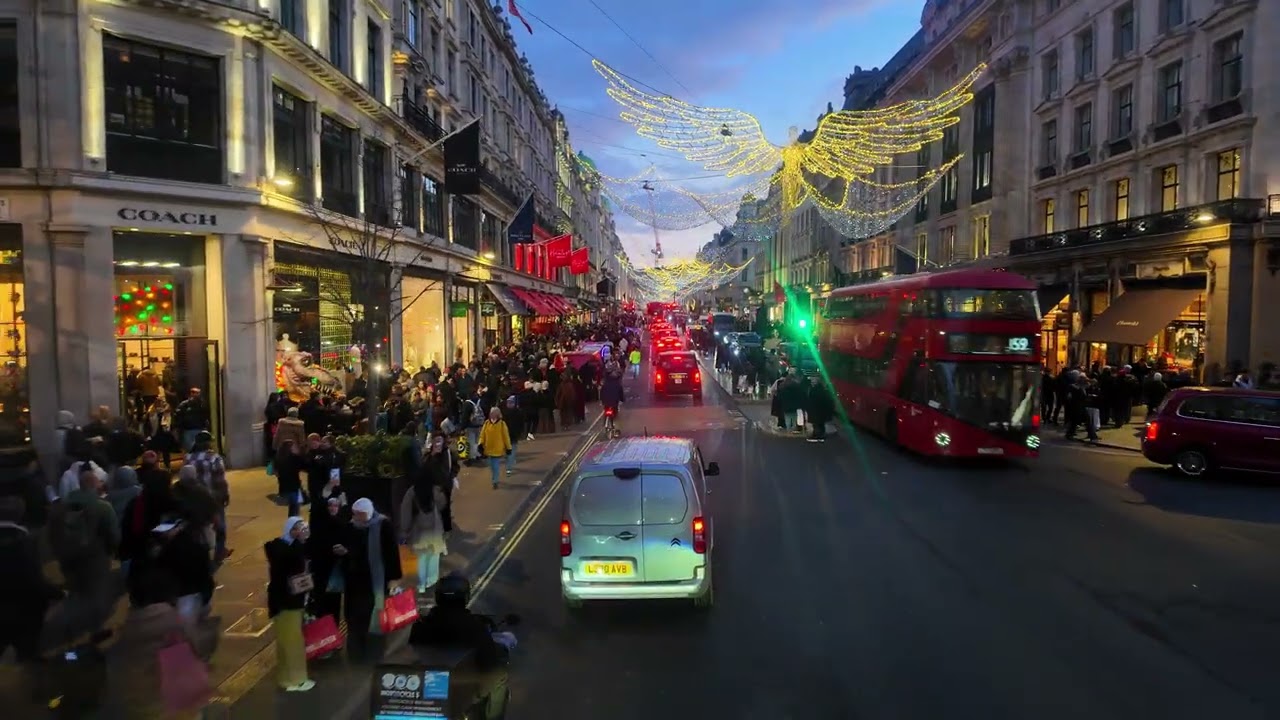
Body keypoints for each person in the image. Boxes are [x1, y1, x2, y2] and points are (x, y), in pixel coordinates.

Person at [407, 573, 510, 719]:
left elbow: (411, 654)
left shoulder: (420, 626)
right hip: (459, 692)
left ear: (438, 597)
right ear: (465, 598)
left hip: (423, 689)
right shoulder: (476, 628)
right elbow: (489, 664)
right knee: (499, 675)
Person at [333, 498, 402, 662]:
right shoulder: (350, 527)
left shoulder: (383, 525)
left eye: (361, 514)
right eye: (355, 513)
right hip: (354, 582)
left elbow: (391, 553)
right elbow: (349, 550)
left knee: (375, 619)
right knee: (354, 619)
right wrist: (344, 553)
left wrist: (394, 578)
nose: (357, 517)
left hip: (375, 582)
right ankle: (356, 655)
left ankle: (373, 655)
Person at [265, 517, 316, 692]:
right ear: (290, 531)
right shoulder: (288, 550)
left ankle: (285, 679)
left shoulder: (281, 547)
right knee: (294, 641)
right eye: (298, 528)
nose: (301, 531)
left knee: (285, 641)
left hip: (284, 601)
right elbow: (295, 567)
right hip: (289, 602)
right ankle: (297, 679)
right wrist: (302, 543)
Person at [477, 408, 512, 490]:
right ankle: (494, 478)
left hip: (497, 449)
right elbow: (482, 435)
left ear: (497, 414)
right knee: (491, 466)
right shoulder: (486, 423)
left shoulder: (502, 424)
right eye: (491, 413)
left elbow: (506, 437)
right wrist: (480, 444)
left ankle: (495, 481)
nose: (491, 414)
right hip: (488, 449)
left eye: (493, 413)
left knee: (495, 466)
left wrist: (508, 448)